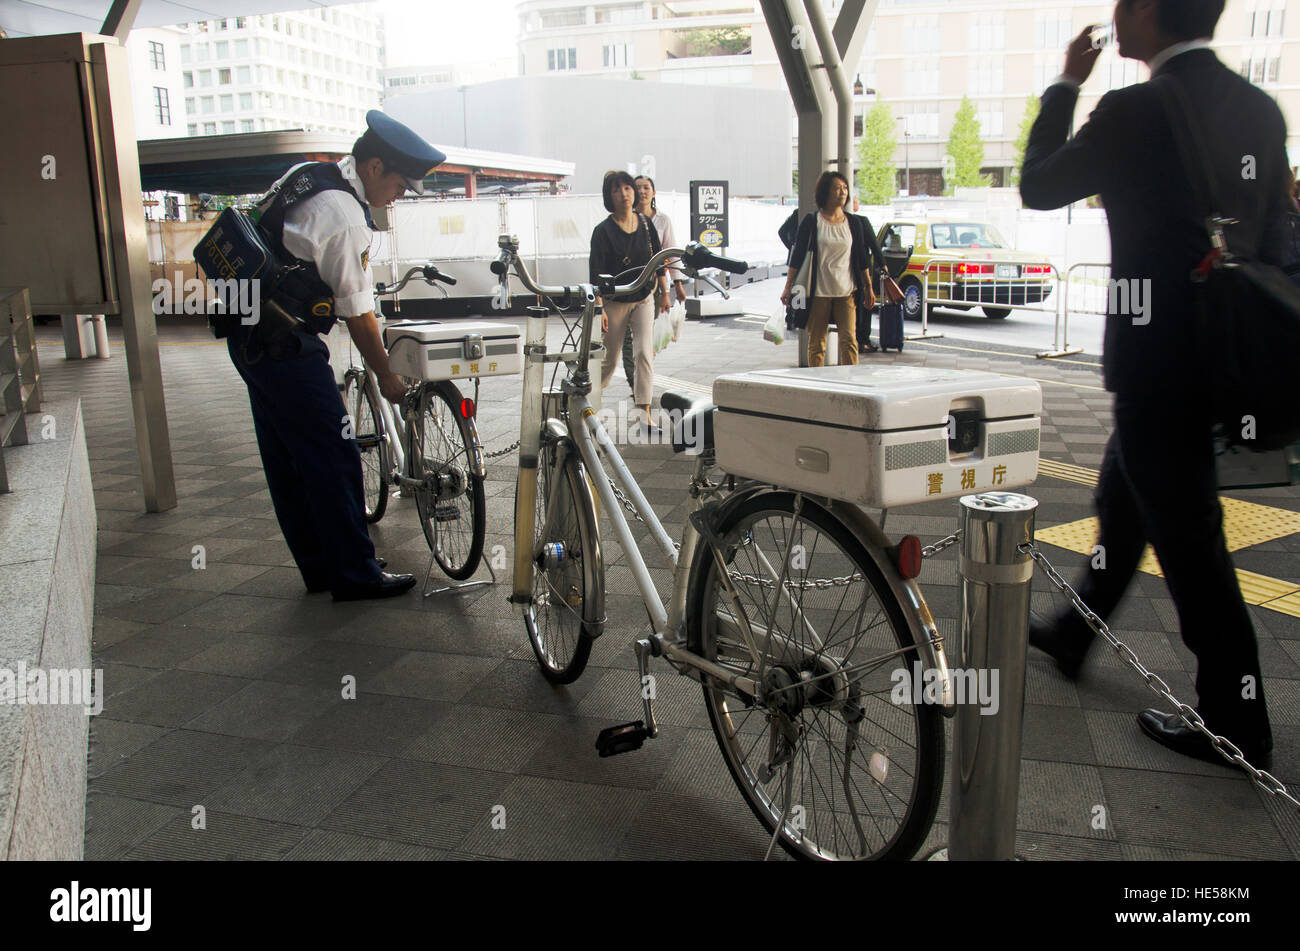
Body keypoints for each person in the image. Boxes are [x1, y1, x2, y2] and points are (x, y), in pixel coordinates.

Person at [1019, 0, 1287, 767]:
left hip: (1157, 361)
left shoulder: (1133, 108)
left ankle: (1237, 720)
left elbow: (1039, 185)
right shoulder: (1260, 109)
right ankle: (1075, 630)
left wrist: (1066, 85)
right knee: (1124, 497)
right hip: (1229, 358)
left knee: (1192, 544)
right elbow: (1271, 240)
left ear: (1146, 14)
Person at [225, 110, 446, 601]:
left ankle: (322, 564)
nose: (401, 195)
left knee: (286, 457)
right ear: (372, 167)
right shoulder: (345, 217)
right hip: (285, 344)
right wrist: (386, 374)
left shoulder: (307, 174)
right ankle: (354, 572)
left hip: (249, 337)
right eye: (400, 184)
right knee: (333, 451)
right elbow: (357, 312)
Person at [780, 171, 899, 365]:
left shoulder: (853, 223)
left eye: (845, 188)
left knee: (850, 340)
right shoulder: (812, 222)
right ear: (825, 192)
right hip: (818, 292)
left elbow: (861, 257)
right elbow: (797, 257)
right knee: (817, 342)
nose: (842, 192)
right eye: (837, 188)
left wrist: (868, 287)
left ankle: (849, 382)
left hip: (847, 291)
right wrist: (788, 286)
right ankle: (817, 383)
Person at [591, 170, 670, 429]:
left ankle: (643, 411)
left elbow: (659, 259)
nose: (624, 194)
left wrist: (665, 291)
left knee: (644, 352)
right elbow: (595, 273)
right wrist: (599, 307)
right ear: (609, 196)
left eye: (627, 188)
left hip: (644, 296)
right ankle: (589, 402)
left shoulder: (646, 225)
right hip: (615, 301)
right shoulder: (602, 231)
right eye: (616, 189)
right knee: (610, 358)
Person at [621, 175, 685, 390]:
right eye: (637, 187)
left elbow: (670, 253)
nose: (642, 191)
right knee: (630, 340)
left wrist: (677, 284)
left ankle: (642, 379)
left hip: (656, 286)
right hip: (629, 286)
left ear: (653, 192)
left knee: (647, 339)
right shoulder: (625, 219)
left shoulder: (662, 221)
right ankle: (636, 384)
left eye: (646, 187)